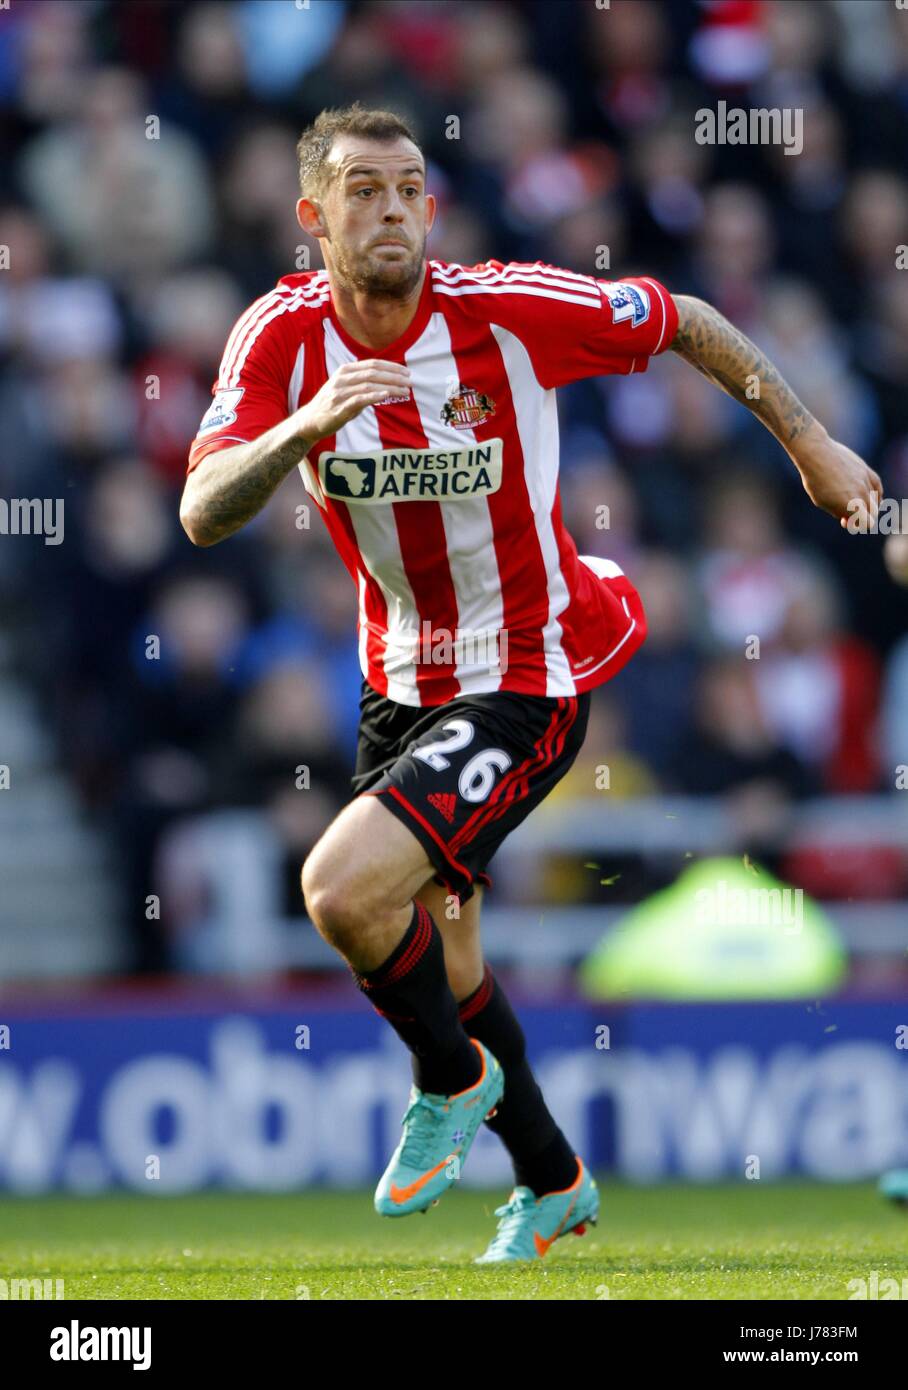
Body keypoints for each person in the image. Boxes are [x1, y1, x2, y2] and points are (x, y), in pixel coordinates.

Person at [180, 103, 881, 1262]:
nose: (392, 208)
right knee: (444, 959)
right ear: (312, 216)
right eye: (362, 190)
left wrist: (806, 444)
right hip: (398, 678)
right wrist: (301, 427)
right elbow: (202, 513)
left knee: (342, 892)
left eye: (408, 187)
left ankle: (449, 1084)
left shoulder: (504, 308)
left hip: (531, 667)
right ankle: (551, 1179)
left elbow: (687, 320)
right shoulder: (277, 341)